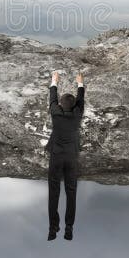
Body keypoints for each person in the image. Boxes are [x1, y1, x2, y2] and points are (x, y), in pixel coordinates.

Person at [45, 70, 85, 241]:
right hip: (71, 157)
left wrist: (54, 80)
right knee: (71, 192)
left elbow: (52, 98)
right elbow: (81, 100)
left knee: (54, 192)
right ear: (74, 106)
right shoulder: (77, 115)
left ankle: (53, 228)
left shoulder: (56, 113)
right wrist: (80, 83)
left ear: (60, 105)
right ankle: (69, 227)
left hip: (56, 157)